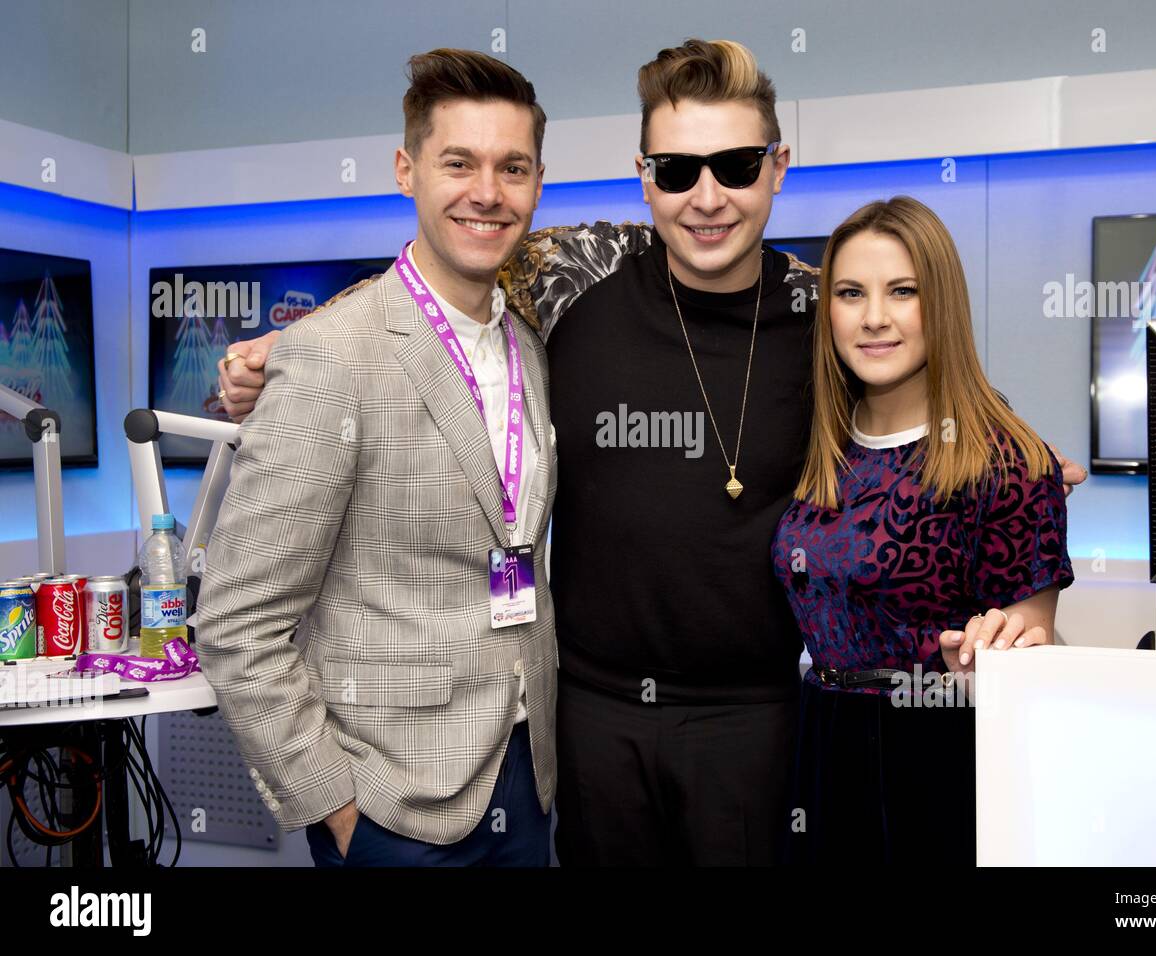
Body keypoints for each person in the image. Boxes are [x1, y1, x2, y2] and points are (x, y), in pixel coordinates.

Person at [217, 39, 1087, 867]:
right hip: (590, 723)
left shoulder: (821, 310)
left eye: (737, 166)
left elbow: (924, 365)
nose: (707, 195)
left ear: (777, 167)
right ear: (644, 180)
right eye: (676, 170)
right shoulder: (570, 278)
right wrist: (279, 354)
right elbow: (442, 277)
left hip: (763, 726)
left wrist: (1015, 454)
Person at [195, 49, 559, 867]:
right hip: (392, 809)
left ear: (538, 181)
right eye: (457, 162)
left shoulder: (531, 350)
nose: (487, 193)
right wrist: (336, 806)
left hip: (527, 780)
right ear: (406, 170)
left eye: (514, 168)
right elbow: (236, 619)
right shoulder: (330, 355)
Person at [773, 196, 1074, 864]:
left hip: (940, 755)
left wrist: (991, 659)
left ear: (940, 304)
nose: (874, 317)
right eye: (851, 293)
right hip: (819, 745)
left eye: (902, 291)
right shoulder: (820, 447)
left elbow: (1028, 657)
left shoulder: (1009, 462)